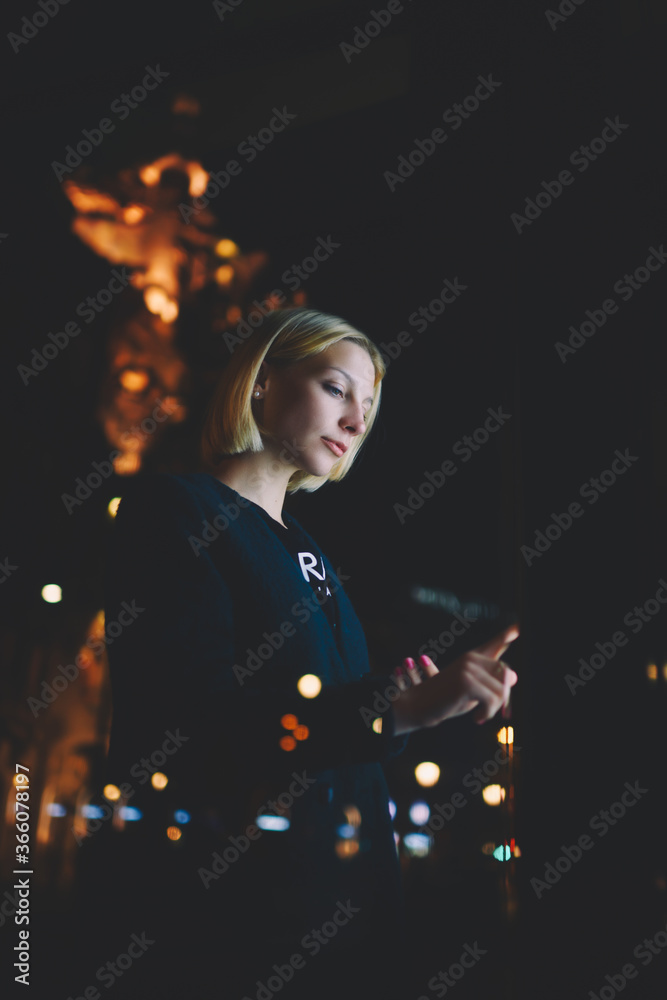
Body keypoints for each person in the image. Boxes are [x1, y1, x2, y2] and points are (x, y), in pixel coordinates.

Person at [94, 307, 518, 999]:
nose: (355, 421)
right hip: (233, 927)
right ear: (262, 381)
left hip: (345, 922)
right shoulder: (174, 511)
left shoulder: (312, 556)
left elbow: (324, 733)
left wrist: (402, 703)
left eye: (367, 407)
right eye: (336, 388)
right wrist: (391, 712)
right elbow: (194, 727)